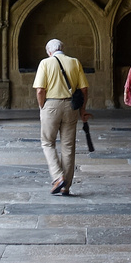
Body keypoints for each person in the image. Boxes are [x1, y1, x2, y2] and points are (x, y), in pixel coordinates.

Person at [34, 37, 89, 195]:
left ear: (49, 51)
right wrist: (82, 110)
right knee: (68, 146)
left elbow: (40, 90)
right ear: (62, 48)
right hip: (70, 106)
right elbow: (84, 89)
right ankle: (66, 186)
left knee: (47, 142)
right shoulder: (74, 62)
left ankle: (58, 177)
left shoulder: (45, 63)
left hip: (50, 105)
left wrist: (42, 106)